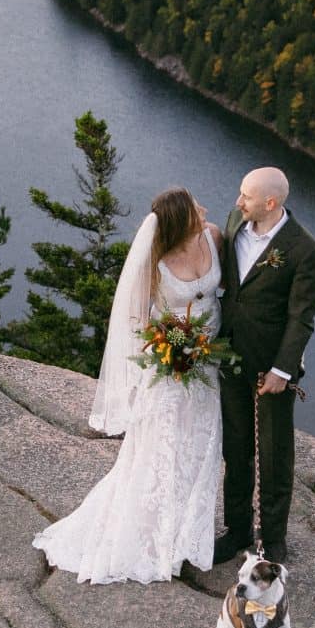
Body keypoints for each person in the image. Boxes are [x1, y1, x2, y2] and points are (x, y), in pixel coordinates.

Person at [33, 187, 226, 584]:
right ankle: (154, 536)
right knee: (164, 448)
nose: (203, 209)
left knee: (201, 447)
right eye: (194, 207)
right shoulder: (155, 263)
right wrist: (171, 349)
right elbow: (136, 321)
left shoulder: (215, 237)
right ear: (179, 221)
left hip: (209, 367)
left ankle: (188, 533)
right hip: (171, 371)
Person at [215, 167, 315, 565]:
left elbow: (302, 318)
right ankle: (237, 530)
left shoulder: (305, 251)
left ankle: (273, 539)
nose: (237, 202)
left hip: (270, 370)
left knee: (275, 454)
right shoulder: (235, 223)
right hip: (228, 357)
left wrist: (282, 371)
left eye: (245, 196)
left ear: (271, 203)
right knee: (236, 447)